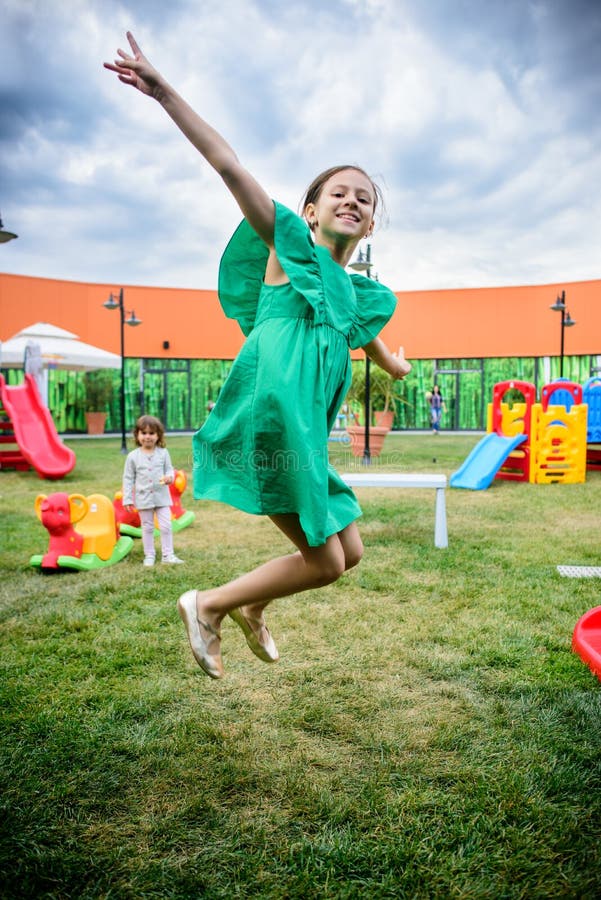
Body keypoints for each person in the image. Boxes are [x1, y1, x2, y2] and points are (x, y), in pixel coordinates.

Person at [105, 33, 412, 679]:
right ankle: (209, 604)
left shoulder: (358, 298)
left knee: (347, 552)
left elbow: (372, 342)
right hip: (267, 420)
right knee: (326, 561)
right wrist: (163, 93)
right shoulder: (288, 251)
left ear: (372, 225)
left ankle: (251, 606)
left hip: (302, 433)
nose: (352, 199)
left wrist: (394, 365)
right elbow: (229, 164)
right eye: (338, 192)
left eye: (364, 197)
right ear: (308, 211)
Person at [122, 414, 184, 567]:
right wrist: (128, 499)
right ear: (137, 434)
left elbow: (169, 470)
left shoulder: (163, 453)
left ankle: (168, 555)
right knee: (147, 527)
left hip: (162, 497)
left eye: (151, 433)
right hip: (144, 499)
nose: (147, 437)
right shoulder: (132, 457)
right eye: (144, 433)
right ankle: (149, 555)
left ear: (158, 435)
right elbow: (128, 479)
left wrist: (170, 477)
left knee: (166, 525)